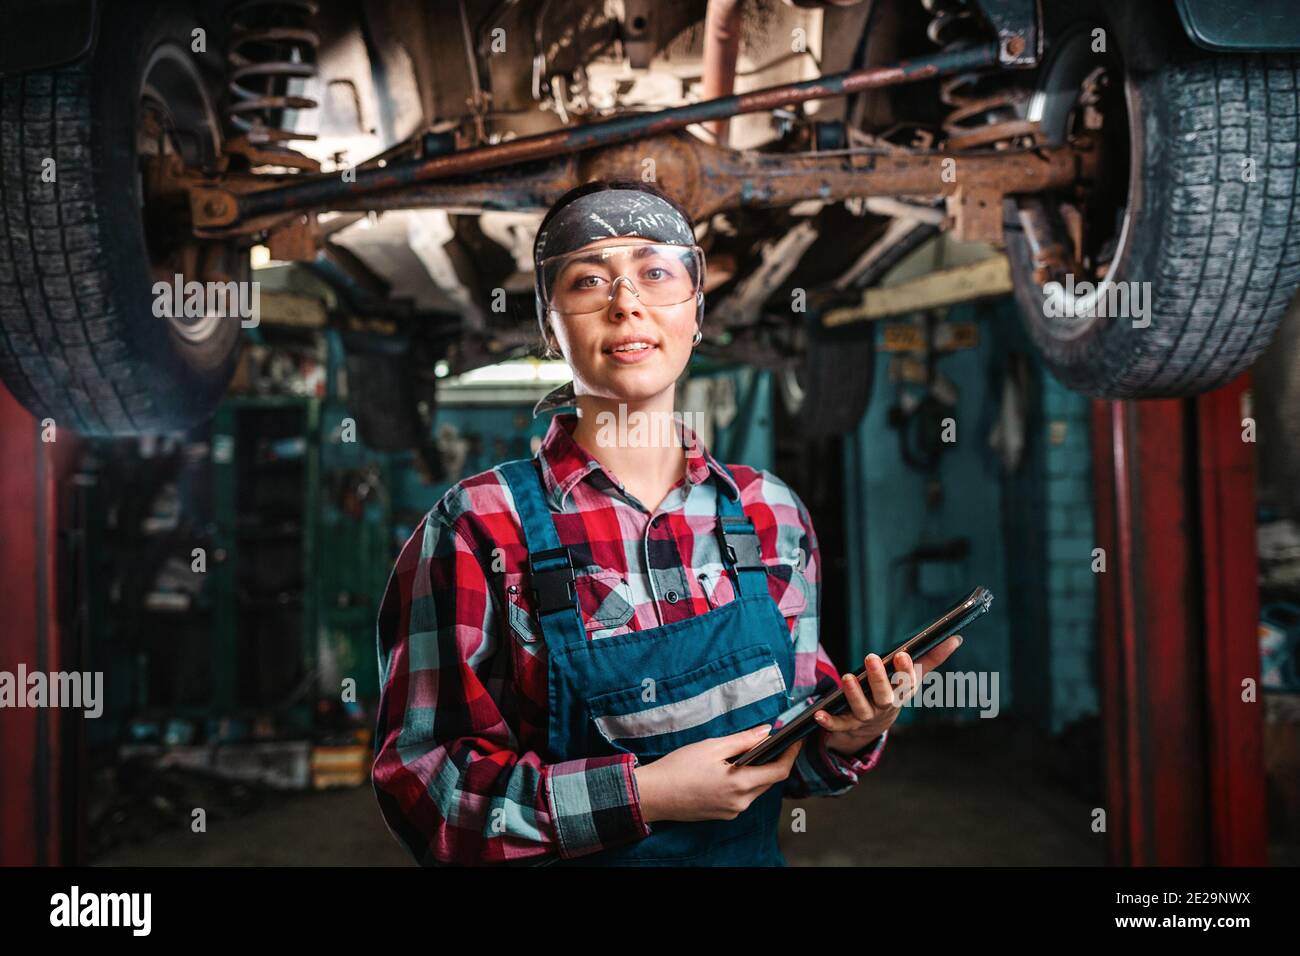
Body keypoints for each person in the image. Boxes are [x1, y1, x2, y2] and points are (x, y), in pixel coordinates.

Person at [371, 178, 962, 866]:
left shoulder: (772, 514)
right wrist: (643, 795)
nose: (627, 304)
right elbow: (426, 794)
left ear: (696, 311)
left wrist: (850, 734)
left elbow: (791, 753)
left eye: (655, 272)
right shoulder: (474, 528)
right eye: (590, 280)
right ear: (549, 321)